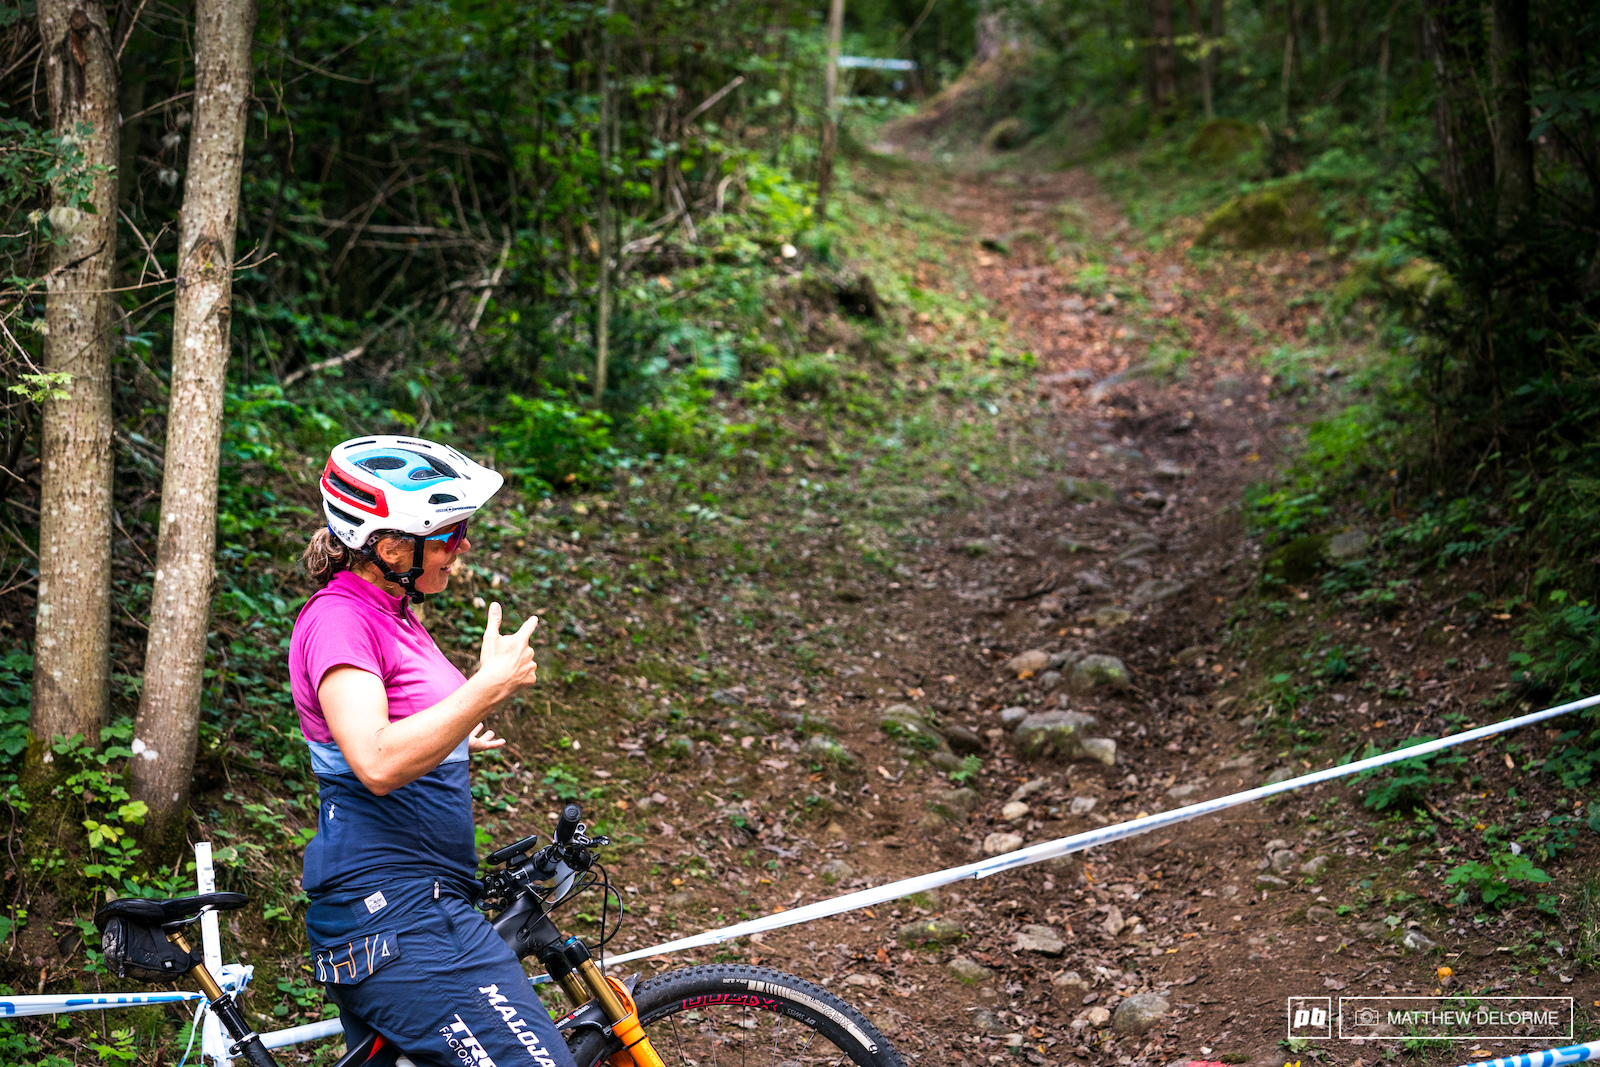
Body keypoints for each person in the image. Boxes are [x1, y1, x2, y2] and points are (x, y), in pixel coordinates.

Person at [289, 435, 575, 1067]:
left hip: (426, 905)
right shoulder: (341, 620)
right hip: (397, 917)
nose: (463, 545)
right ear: (390, 546)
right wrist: (483, 690)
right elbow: (377, 761)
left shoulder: (392, 609)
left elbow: (389, 722)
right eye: (448, 533)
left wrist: (451, 732)